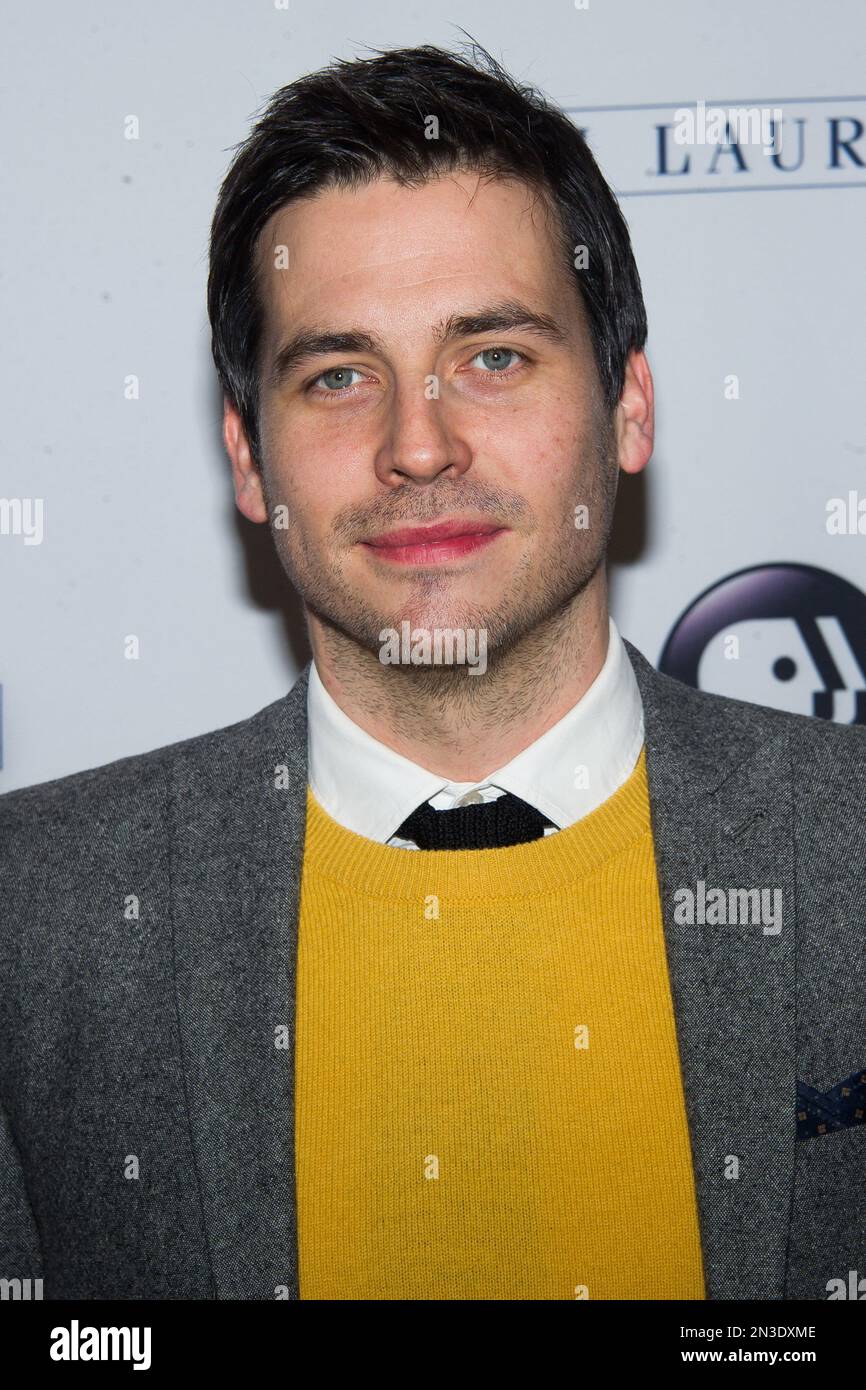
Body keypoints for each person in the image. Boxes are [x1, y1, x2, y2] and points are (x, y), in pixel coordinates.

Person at [2, 41, 864, 1303]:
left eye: (494, 357)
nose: (418, 444)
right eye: (339, 374)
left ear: (630, 408)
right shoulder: (37, 917)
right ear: (248, 459)